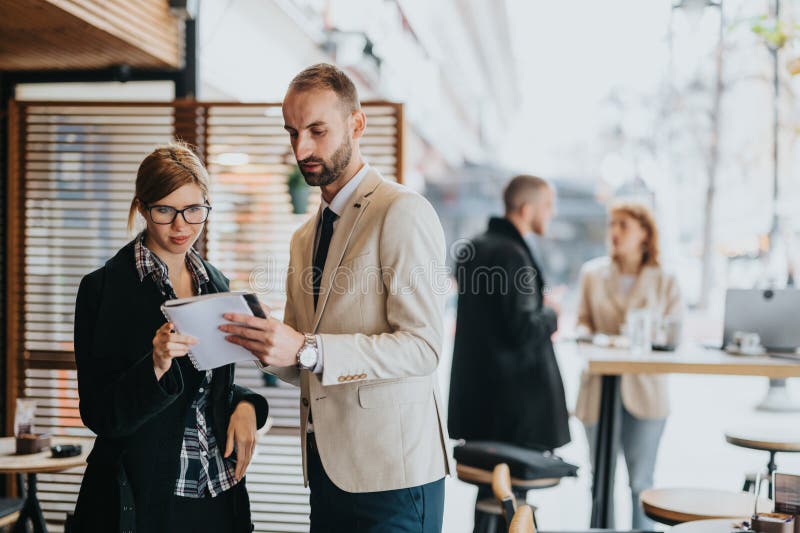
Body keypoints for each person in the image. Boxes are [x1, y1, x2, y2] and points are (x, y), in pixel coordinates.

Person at [220, 63, 450, 532]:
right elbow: (302, 360)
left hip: (394, 479)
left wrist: (305, 347)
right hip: (326, 475)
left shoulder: (402, 212)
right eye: (292, 132)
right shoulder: (304, 236)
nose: (301, 148)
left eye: (317, 131)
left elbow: (423, 347)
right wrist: (263, 341)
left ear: (356, 124)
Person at [72, 143, 269, 533]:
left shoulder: (215, 283)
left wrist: (246, 406)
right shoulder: (102, 290)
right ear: (143, 208)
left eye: (194, 210)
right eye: (165, 210)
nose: (182, 226)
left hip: (216, 493)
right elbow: (99, 415)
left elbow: (211, 387)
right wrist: (156, 364)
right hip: (143, 501)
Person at [575, 201, 682, 529]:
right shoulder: (592, 274)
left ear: (645, 235)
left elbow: (674, 333)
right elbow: (582, 324)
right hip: (598, 390)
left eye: (623, 225)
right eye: (612, 224)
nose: (614, 232)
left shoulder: (665, 279)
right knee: (600, 479)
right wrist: (591, 337)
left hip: (646, 391)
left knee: (641, 482)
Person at [448, 175, 571, 453]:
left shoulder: (473, 247)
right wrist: (551, 311)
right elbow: (524, 331)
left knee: (490, 487)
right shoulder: (512, 255)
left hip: (479, 402)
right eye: (548, 205)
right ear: (527, 210)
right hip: (514, 411)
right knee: (510, 491)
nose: (553, 213)